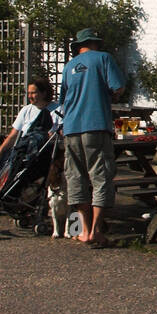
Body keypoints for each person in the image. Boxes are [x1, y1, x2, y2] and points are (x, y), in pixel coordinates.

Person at [59, 28, 125, 246]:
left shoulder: (69, 66)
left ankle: (84, 230)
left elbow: (63, 98)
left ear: (79, 46)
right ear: (95, 43)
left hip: (70, 127)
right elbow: (118, 88)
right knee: (101, 176)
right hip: (95, 124)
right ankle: (97, 230)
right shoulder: (104, 58)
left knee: (76, 177)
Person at [0, 79, 59, 185]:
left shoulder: (57, 109)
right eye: (28, 93)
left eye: (33, 93)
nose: (29, 96)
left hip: (40, 151)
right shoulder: (26, 110)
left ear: (43, 93)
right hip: (22, 148)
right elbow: (13, 135)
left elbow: (59, 134)